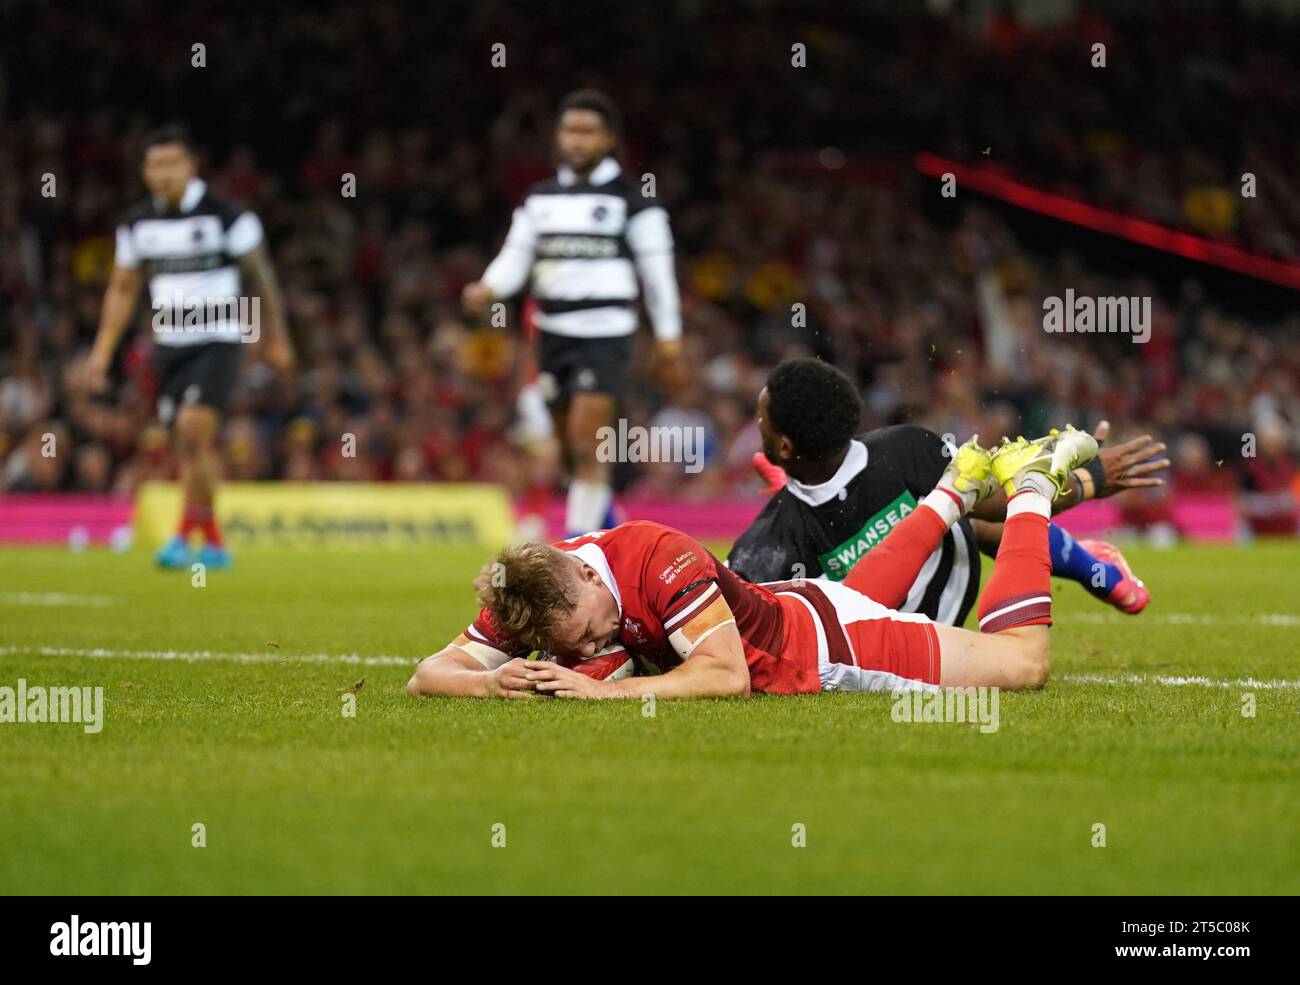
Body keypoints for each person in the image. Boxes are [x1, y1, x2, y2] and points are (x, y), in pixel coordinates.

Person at [406, 427, 1099, 699]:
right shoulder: (532, 589)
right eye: (578, 646)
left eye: (590, 630)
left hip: (825, 645)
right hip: (796, 602)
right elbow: (425, 677)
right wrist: (492, 686)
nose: (593, 645)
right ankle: (956, 487)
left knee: (1024, 667)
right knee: (853, 596)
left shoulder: (654, 553)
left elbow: (727, 676)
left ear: (590, 574)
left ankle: (1032, 483)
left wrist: (602, 690)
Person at [729, 359, 1168, 623]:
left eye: (761, 417)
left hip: (947, 605)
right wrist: (1088, 481)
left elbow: (1000, 502)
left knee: (965, 510)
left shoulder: (904, 451)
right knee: (953, 505)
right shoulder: (902, 447)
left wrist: (1087, 480)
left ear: (784, 446)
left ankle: (1095, 568)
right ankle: (1095, 565)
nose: (758, 421)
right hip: (892, 645)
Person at [462, 89, 684, 536]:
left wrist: (668, 334)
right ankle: (604, 522)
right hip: (551, 335)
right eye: (569, 130)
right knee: (566, 451)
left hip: (605, 332)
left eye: (588, 131)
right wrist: (488, 287)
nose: (577, 140)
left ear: (609, 140)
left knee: (587, 444)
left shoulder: (632, 200)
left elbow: (657, 273)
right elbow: (515, 257)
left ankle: (580, 551)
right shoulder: (539, 199)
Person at [85, 125, 294, 569]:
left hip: (217, 341)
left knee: (192, 430)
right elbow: (123, 288)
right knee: (186, 444)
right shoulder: (137, 223)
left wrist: (275, 338)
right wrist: (101, 353)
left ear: (191, 166)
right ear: (143, 171)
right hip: (169, 346)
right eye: (154, 165)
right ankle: (212, 536)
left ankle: (185, 535)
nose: (163, 174)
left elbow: (261, 280)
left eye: (172, 164)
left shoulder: (228, 216)